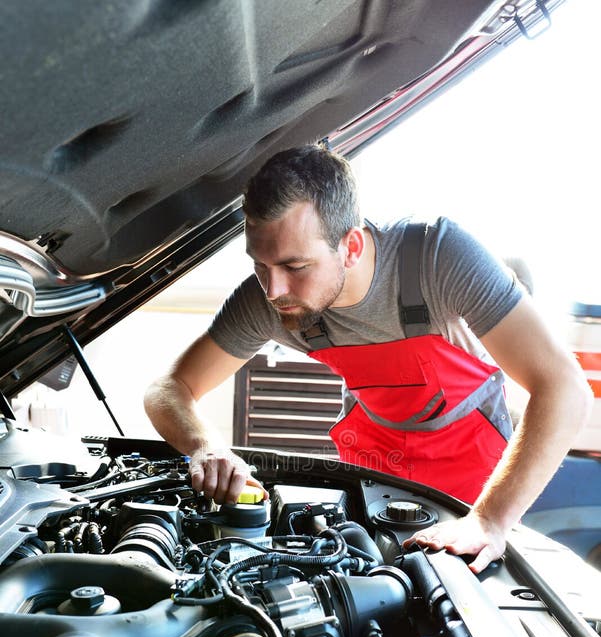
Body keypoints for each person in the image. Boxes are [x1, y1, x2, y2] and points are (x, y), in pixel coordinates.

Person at [144, 145, 592, 573]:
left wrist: (490, 520)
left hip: (473, 486)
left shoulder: (438, 258)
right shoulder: (267, 299)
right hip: (377, 474)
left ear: (352, 247)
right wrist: (206, 446)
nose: (274, 290)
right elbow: (168, 389)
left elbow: (565, 388)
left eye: (296, 267)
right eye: (260, 265)